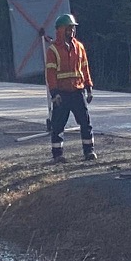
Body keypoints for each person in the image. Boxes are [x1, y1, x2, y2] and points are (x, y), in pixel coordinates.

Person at [43, 13, 94, 163]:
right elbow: (50, 74)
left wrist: (89, 87)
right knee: (58, 125)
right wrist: (54, 93)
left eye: (73, 28)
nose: (71, 31)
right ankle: (57, 154)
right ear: (60, 30)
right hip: (62, 94)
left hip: (78, 91)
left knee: (85, 122)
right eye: (68, 28)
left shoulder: (79, 47)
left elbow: (85, 69)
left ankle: (89, 151)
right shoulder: (53, 50)